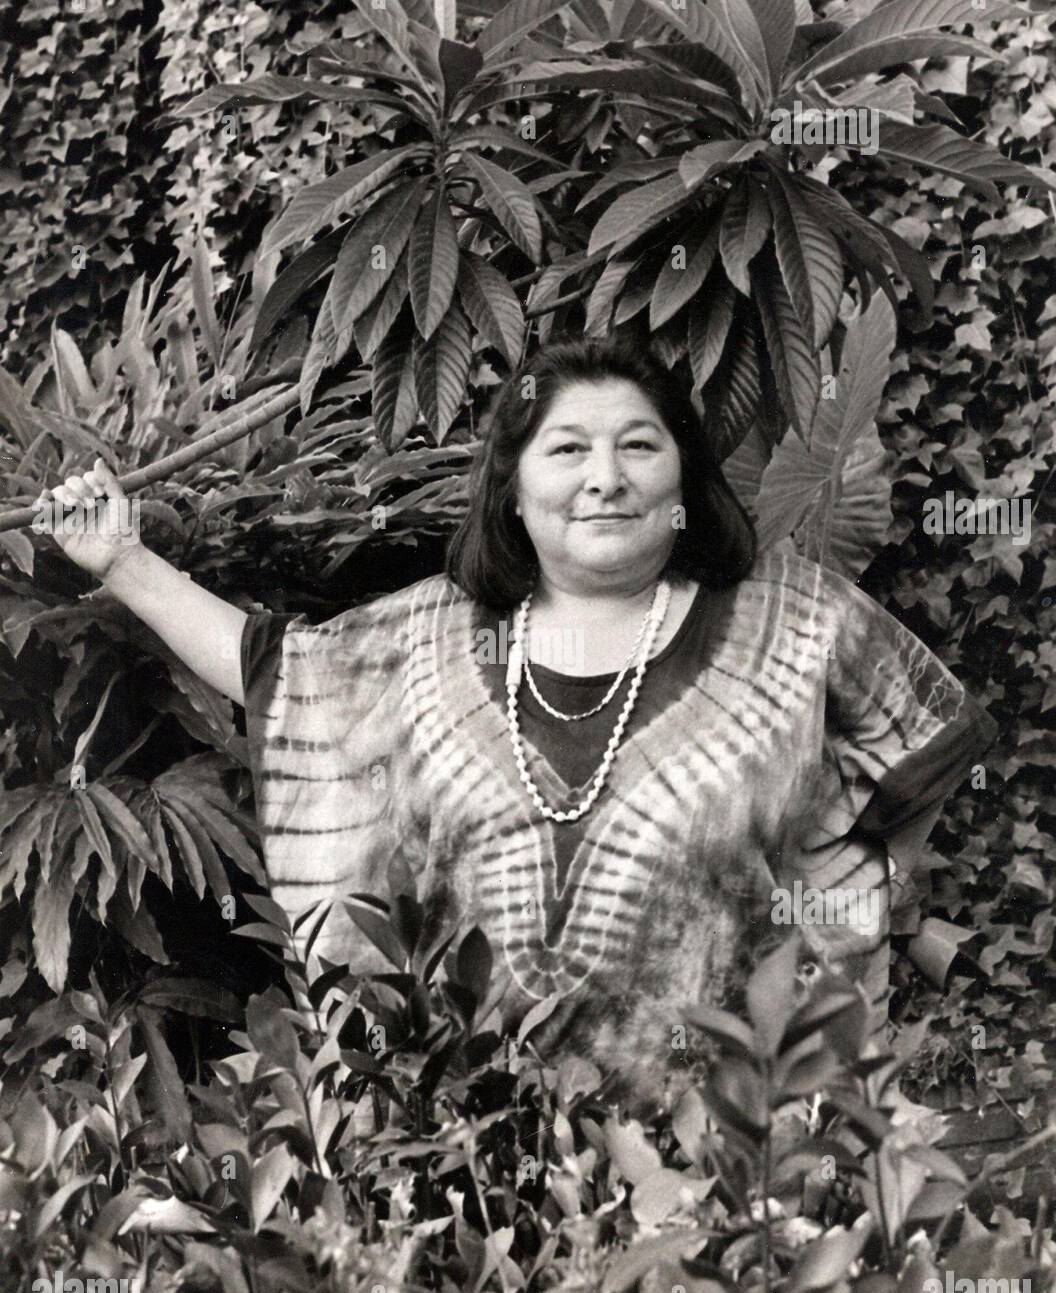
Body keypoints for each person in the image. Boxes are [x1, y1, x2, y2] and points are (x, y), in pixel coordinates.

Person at [35, 336, 997, 1104]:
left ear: (683, 482)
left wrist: (859, 887)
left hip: (743, 1137)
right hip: (473, 1136)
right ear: (516, 488)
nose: (605, 477)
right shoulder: (432, 636)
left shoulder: (798, 618)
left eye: (640, 444)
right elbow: (279, 672)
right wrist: (121, 561)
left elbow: (926, 748)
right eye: (568, 448)